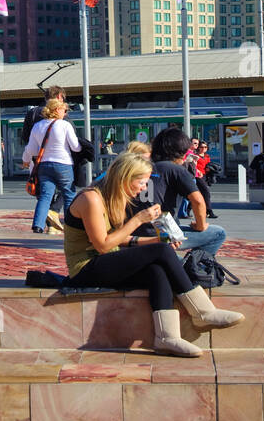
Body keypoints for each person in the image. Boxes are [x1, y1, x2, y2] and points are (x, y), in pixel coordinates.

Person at [63, 153, 243, 356]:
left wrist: (156, 241)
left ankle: (167, 337)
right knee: (161, 253)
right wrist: (138, 220)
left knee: (156, 269)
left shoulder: (118, 197)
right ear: (125, 177)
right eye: (141, 183)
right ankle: (202, 311)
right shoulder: (91, 198)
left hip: (105, 261)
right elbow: (103, 245)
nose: (143, 189)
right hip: (85, 268)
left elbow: (120, 239)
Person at [148, 128, 227, 261]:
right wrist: (200, 225)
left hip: (138, 231)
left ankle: (178, 263)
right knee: (218, 233)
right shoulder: (176, 170)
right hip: (164, 233)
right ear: (182, 151)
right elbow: (198, 201)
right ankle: (196, 268)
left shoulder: (144, 167)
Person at [22, 96, 80, 234]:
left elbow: (31, 149)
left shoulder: (37, 126)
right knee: (68, 194)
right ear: (56, 110)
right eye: (64, 110)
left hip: (44, 165)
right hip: (63, 164)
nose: (65, 113)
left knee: (45, 196)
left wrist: (25, 160)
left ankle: (38, 226)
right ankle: (70, 226)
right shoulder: (65, 125)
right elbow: (75, 147)